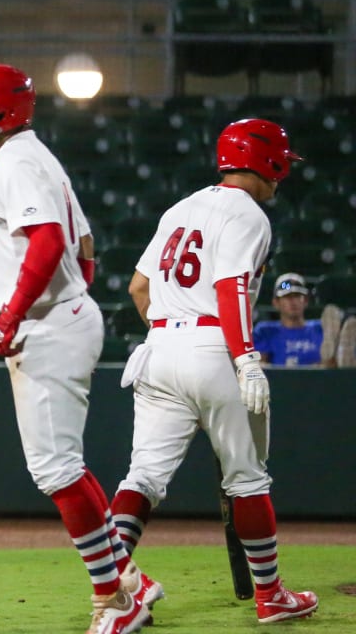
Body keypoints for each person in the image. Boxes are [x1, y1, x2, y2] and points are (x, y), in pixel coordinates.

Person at [0, 62, 153, 634]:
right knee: (65, 465)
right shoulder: (34, 157)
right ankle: (130, 578)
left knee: (56, 471)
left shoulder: (14, 161)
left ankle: (115, 598)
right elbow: (83, 243)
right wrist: (72, 293)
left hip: (45, 323)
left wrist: (17, 312)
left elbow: (50, 240)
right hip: (60, 316)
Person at [110, 118, 319, 625]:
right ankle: (271, 595)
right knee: (247, 479)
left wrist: (173, 334)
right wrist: (245, 358)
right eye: (281, 164)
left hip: (158, 347)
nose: (282, 175)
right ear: (265, 160)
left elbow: (139, 289)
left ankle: (113, 582)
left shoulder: (179, 208)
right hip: (216, 345)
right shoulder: (249, 214)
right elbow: (231, 289)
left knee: (143, 477)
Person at [252, 273, 324, 366]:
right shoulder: (266, 331)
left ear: (306, 301)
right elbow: (261, 368)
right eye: (287, 297)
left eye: (297, 296)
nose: (293, 301)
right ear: (276, 303)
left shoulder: (321, 328)